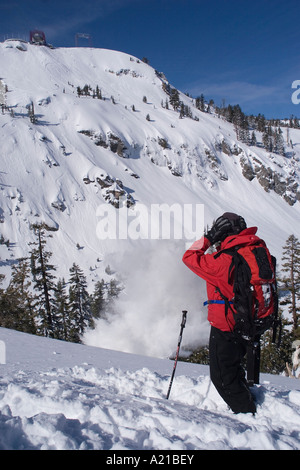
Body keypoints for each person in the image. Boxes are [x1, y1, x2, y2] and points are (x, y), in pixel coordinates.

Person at [182, 212, 257, 414]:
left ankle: (246, 413)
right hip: (249, 321)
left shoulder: (224, 261)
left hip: (227, 326)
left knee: (222, 377)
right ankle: (247, 400)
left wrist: (208, 238)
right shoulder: (253, 251)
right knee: (233, 367)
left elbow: (189, 257)